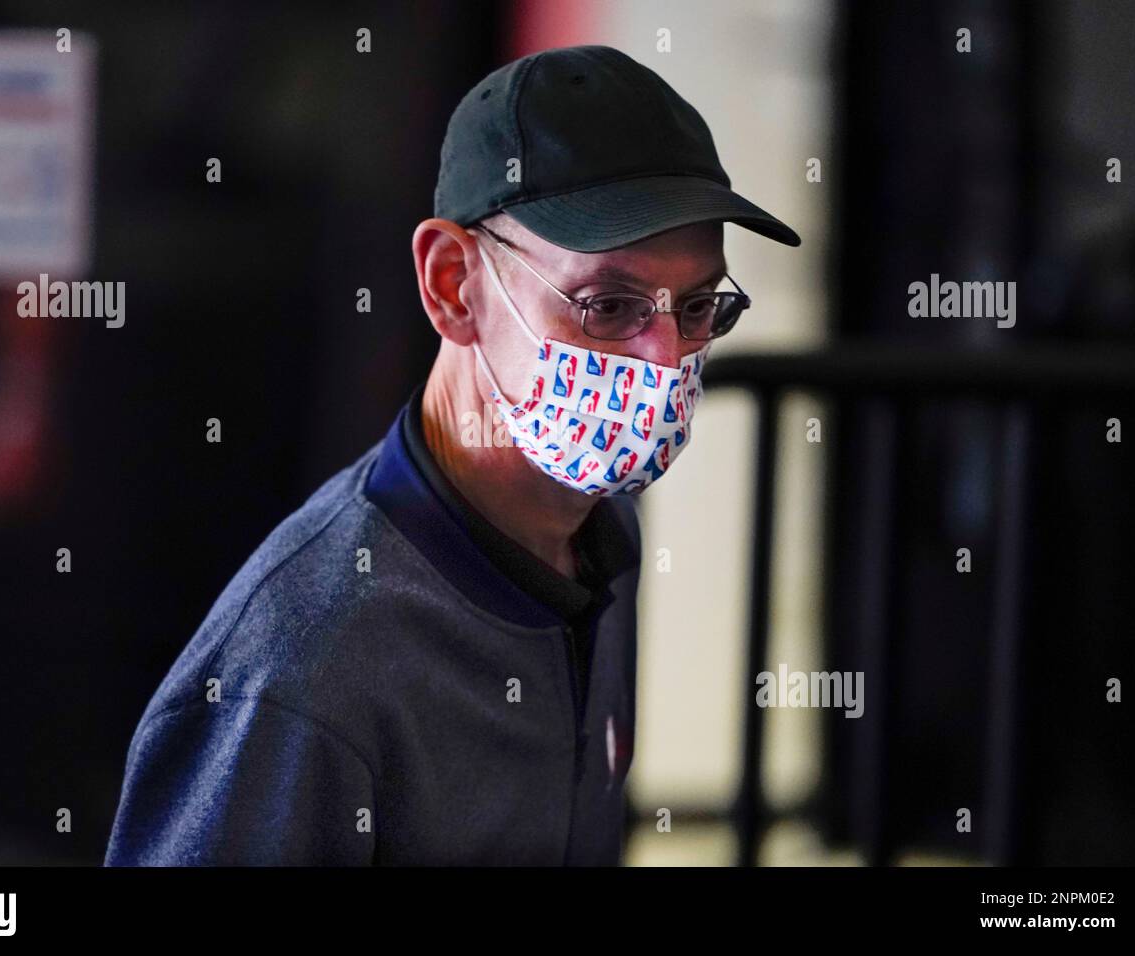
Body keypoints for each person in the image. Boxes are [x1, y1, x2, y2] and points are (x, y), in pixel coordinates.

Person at [104, 44, 799, 866]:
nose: (665, 358)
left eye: (697, 307)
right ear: (451, 285)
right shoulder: (300, 674)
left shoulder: (605, 535)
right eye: (607, 304)